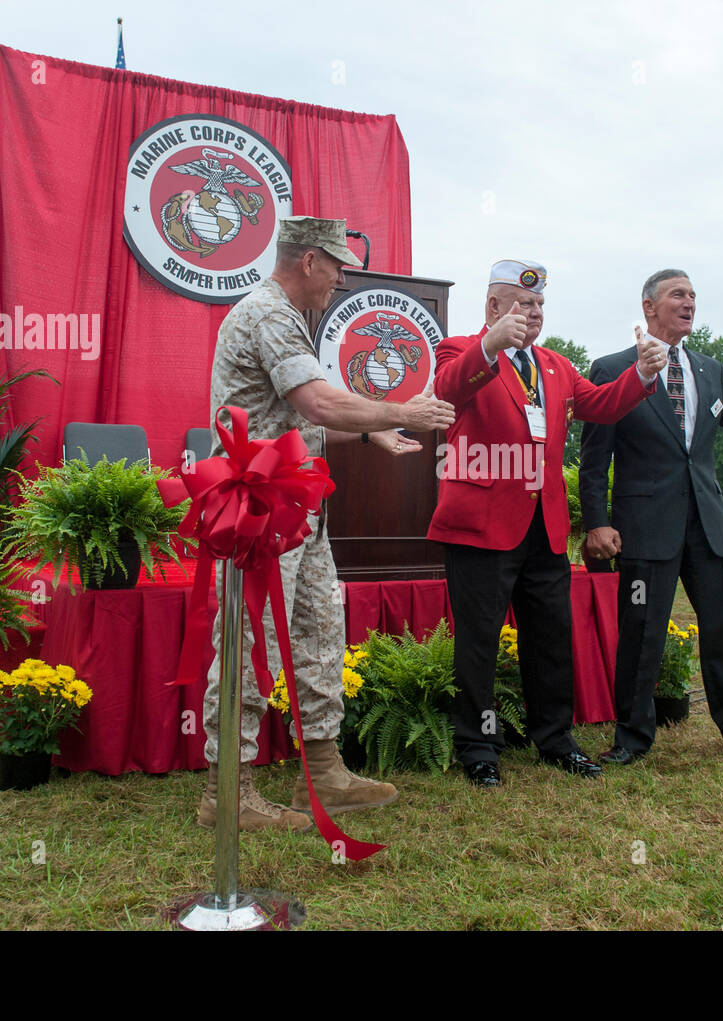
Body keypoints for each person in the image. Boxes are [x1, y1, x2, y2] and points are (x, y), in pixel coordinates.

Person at [201, 215, 456, 830]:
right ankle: (227, 793)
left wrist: (374, 429)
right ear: (309, 260)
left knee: (318, 633)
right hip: (258, 513)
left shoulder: (289, 319)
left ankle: (322, 771)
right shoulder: (267, 313)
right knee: (249, 641)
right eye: (337, 266)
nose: (341, 279)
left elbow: (309, 418)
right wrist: (404, 408)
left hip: (295, 509)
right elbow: (317, 401)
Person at [428, 259, 667, 787]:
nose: (533, 314)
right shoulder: (460, 349)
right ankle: (477, 746)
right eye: (522, 304)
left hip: (544, 523)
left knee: (551, 637)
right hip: (481, 524)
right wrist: (490, 345)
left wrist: (644, 373)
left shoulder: (555, 366)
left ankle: (555, 738)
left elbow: (602, 406)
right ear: (494, 308)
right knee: (479, 641)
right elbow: (447, 391)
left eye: (539, 306)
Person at [578, 269, 723, 766]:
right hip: (645, 527)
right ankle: (632, 739)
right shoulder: (611, 368)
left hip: (707, 525)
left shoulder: (710, 370)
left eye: (693, 295)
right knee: (642, 632)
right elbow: (595, 458)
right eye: (677, 294)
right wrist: (597, 523)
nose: (689, 302)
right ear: (649, 307)